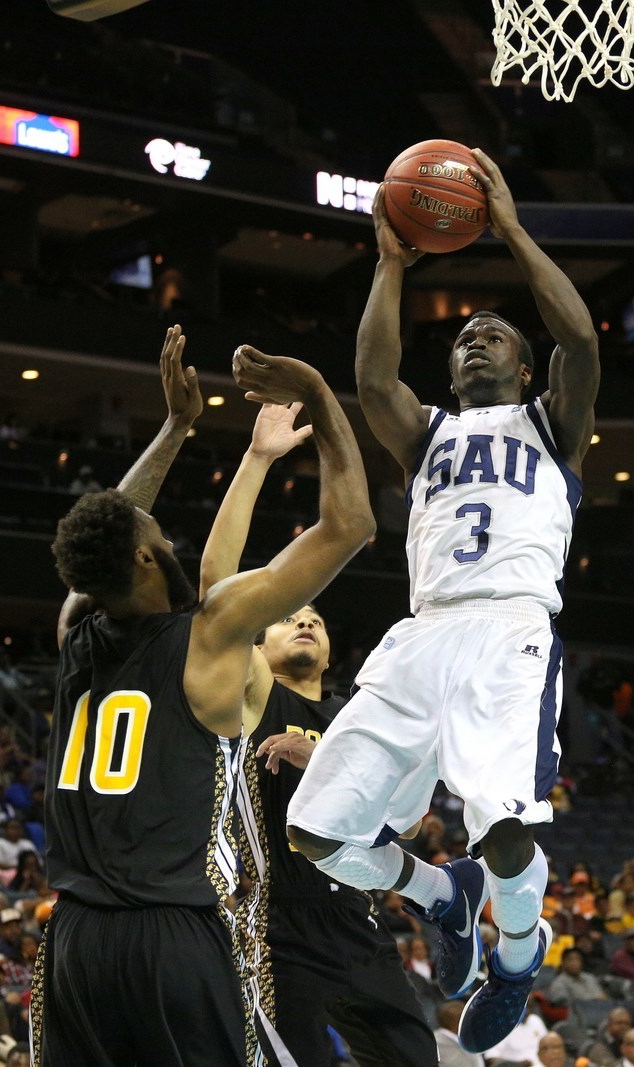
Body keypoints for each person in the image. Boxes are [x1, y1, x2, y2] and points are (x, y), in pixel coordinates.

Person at [289, 148, 599, 1057]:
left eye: (495, 332)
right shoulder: (430, 434)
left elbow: (581, 341)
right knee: (316, 835)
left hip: (509, 628)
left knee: (500, 821)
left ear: (524, 362)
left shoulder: (553, 423)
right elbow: (373, 380)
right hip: (422, 633)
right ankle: (441, 894)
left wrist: (508, 229)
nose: (474, 337)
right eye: (464, 333)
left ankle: (515, 955)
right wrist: (390, 262)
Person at [40, 326, 375, 1067]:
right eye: (155, 528)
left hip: (73, 942)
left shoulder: (77, 637)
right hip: (167, 934)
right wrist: (321, 391)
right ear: (143, 554)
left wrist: (176, 426)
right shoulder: (209, 634)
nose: (162, 526)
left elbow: (106, 534)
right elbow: (349, 524)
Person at [192, 401, 432, 1067]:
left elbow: (407, 825)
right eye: (289, 616)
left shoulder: (356, 719)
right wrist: (259, 457)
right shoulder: (254, 694)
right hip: (276, 925)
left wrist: (322, 755)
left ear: (328, 654)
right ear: (258, 643)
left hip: (359, 921)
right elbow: (217, 590)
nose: (304, 621)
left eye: (316, 620)